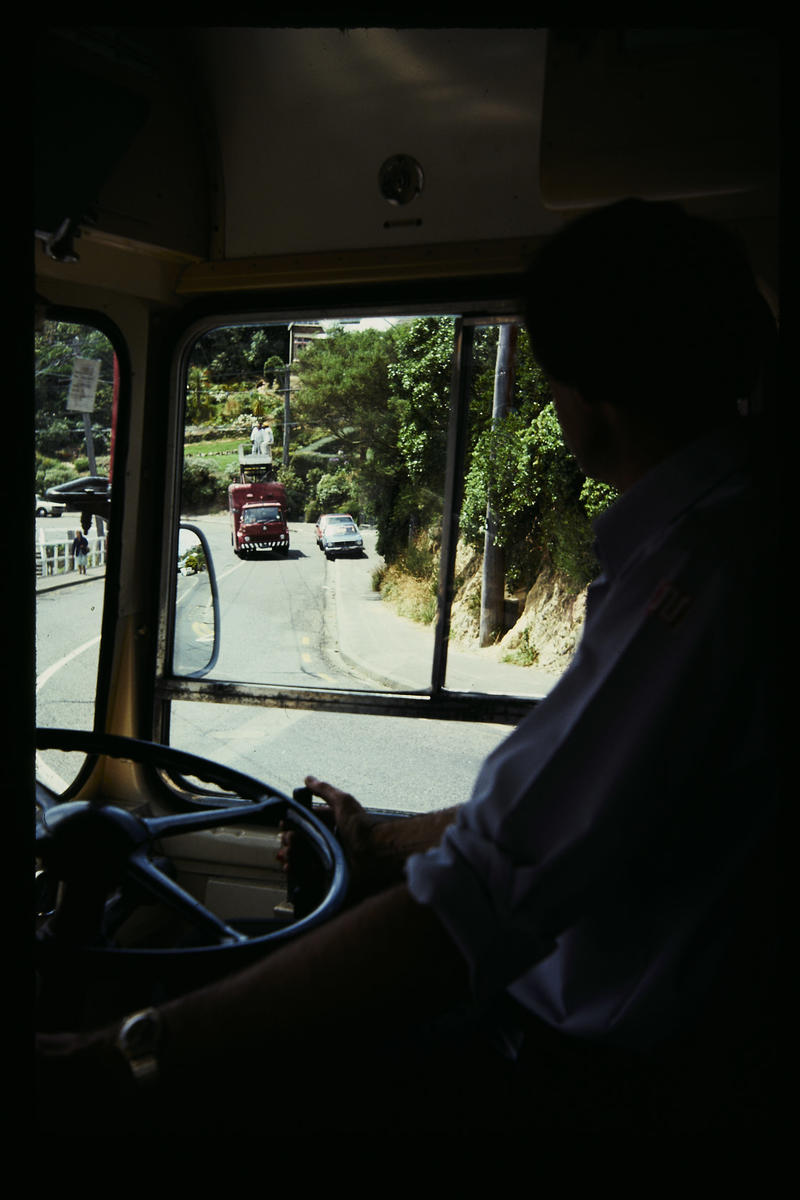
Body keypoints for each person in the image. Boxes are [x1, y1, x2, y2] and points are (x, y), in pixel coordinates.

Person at [36, 199, 779, 1130]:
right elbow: (559, 808)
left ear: (594, 392)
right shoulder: (711, 544)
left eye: (553, 378)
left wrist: (123, 1054)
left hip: (593, 1074)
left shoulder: (696, 580)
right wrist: (378, 843)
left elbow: (471, 904)